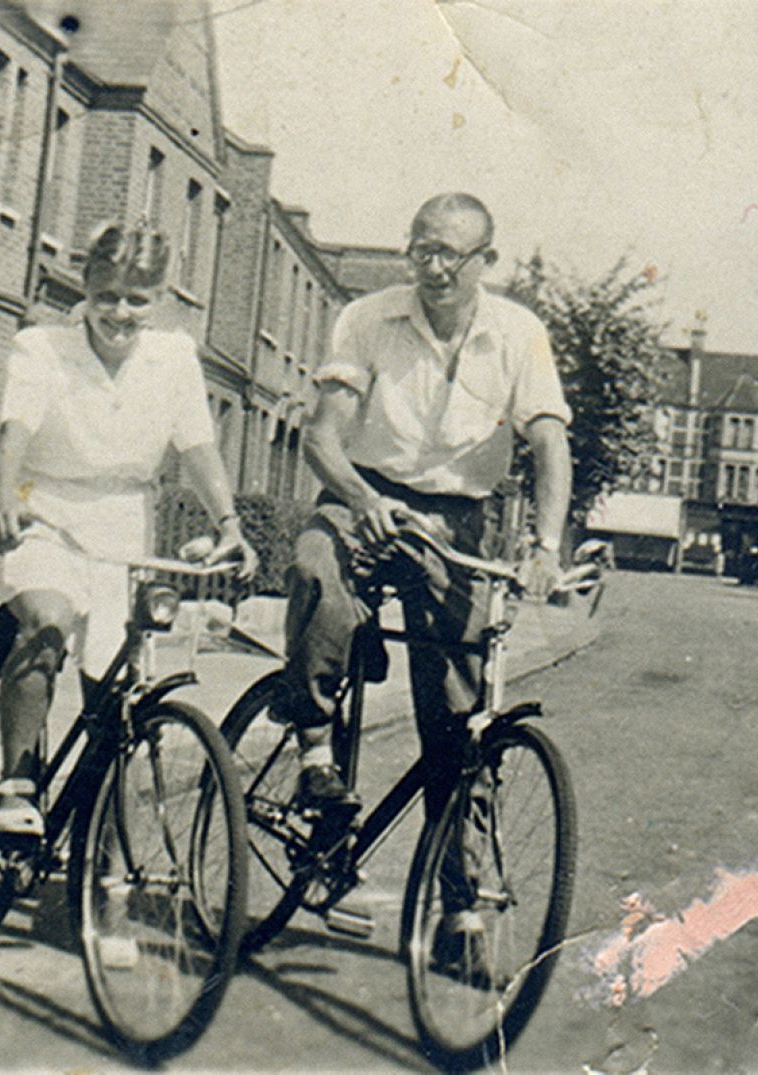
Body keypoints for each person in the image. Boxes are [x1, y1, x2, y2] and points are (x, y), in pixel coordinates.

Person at [282, 191, 572, 958]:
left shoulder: (519, 334)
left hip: (457, 518)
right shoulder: (368, 318)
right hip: (365, 493)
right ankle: (315, 757)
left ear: (486, 261)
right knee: (317, 567)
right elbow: (322, 437)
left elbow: (549, 443)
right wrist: (362, 499)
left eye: (450, 253)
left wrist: (545, 545)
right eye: (422, 249)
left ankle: (459, 907)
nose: (434, 267)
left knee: (458, 719)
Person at [0, 220, 257, 838]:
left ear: (161, 298)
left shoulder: (174, 356)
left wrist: (230, 524)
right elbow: (15, 430)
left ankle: (96, 846)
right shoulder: (42, 347)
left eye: (137, 299)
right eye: (106, 296)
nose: (120, 313)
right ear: (86, 288)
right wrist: (3, 495)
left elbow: (198, 446)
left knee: (116, 695)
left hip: (124, 522)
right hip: (44, 509)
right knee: (48, 621)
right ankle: (16, 785)